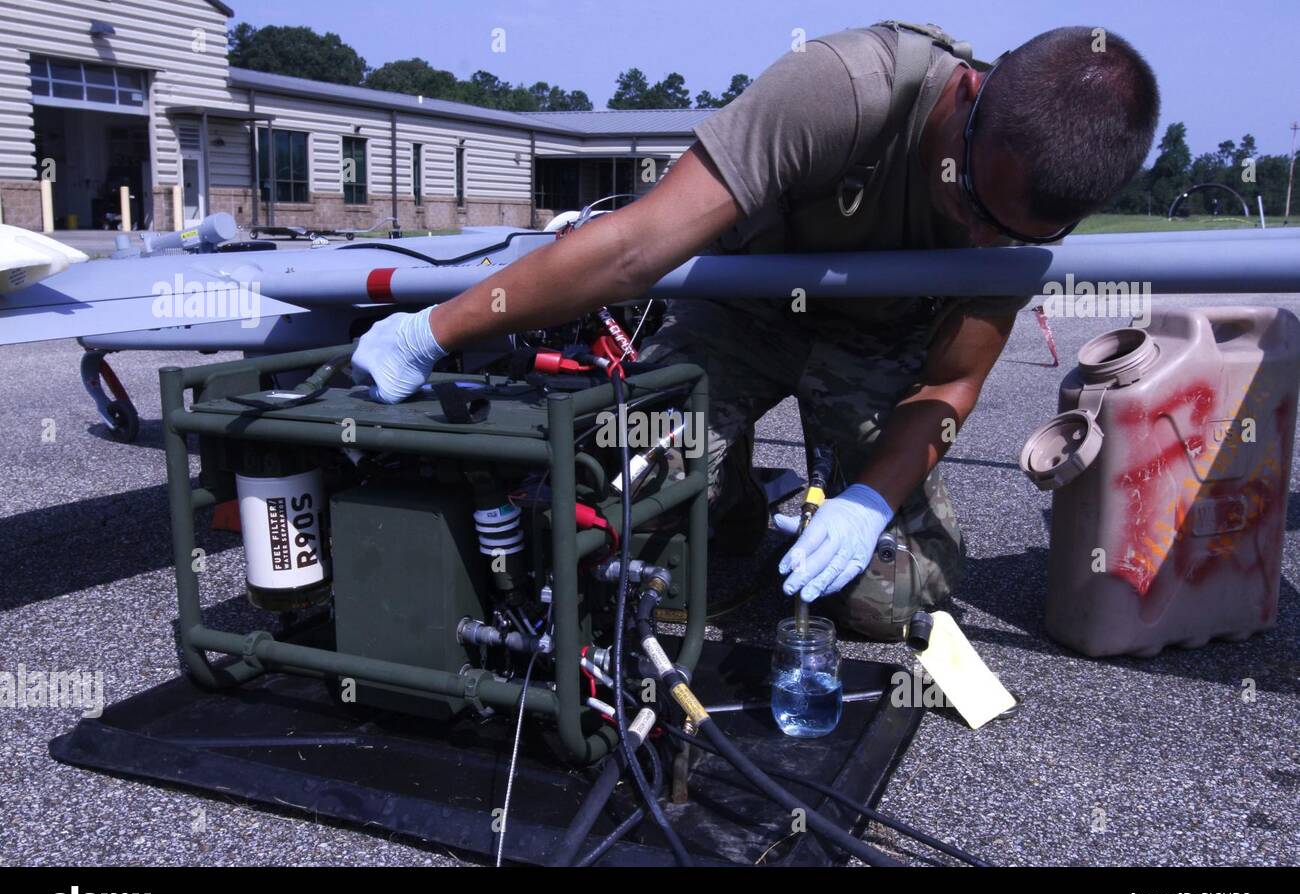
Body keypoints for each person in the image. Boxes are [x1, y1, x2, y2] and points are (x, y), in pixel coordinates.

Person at [352, 22, 1160, 639]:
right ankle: (728, 493)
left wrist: (869, 503)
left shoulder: (1020, 215)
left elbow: (950, 381)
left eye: (1015, 234)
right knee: (615, 508)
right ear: (967, 97)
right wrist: (435, 330)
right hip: (743, 311)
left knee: (889, 597)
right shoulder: (846, 88)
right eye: (976, 207)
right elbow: (635, 246)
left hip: (876, 347)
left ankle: (773, 502)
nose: (985, 241)